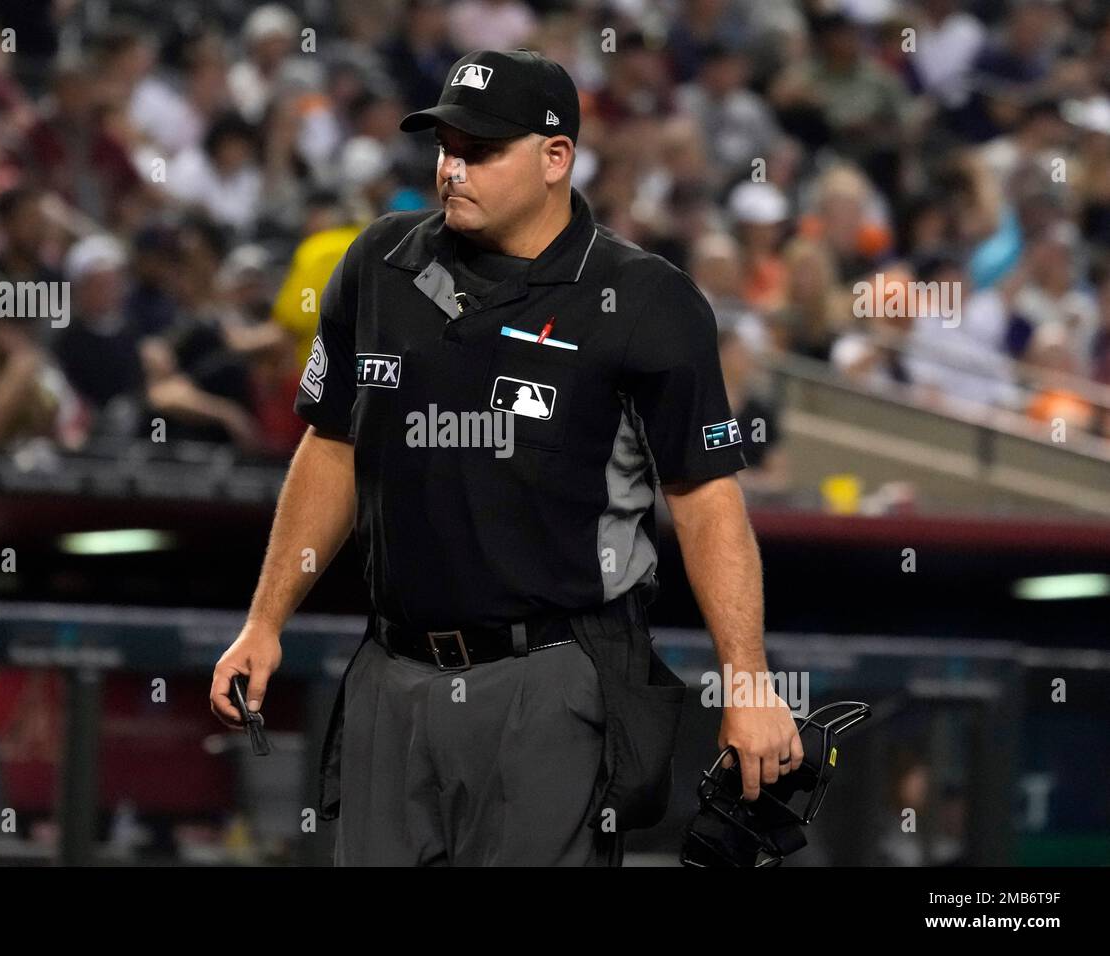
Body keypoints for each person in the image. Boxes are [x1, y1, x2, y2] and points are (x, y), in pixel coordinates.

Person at [211, 48, 800, 866]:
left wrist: (748, 682)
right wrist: (264, 622)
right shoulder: (379, 264)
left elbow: (705, 502)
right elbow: (332, 445)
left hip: (552, 678)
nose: (454, 169)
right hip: (392, 669)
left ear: (556, 157)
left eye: (481, 150)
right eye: (447, 147)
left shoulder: (642, 299)